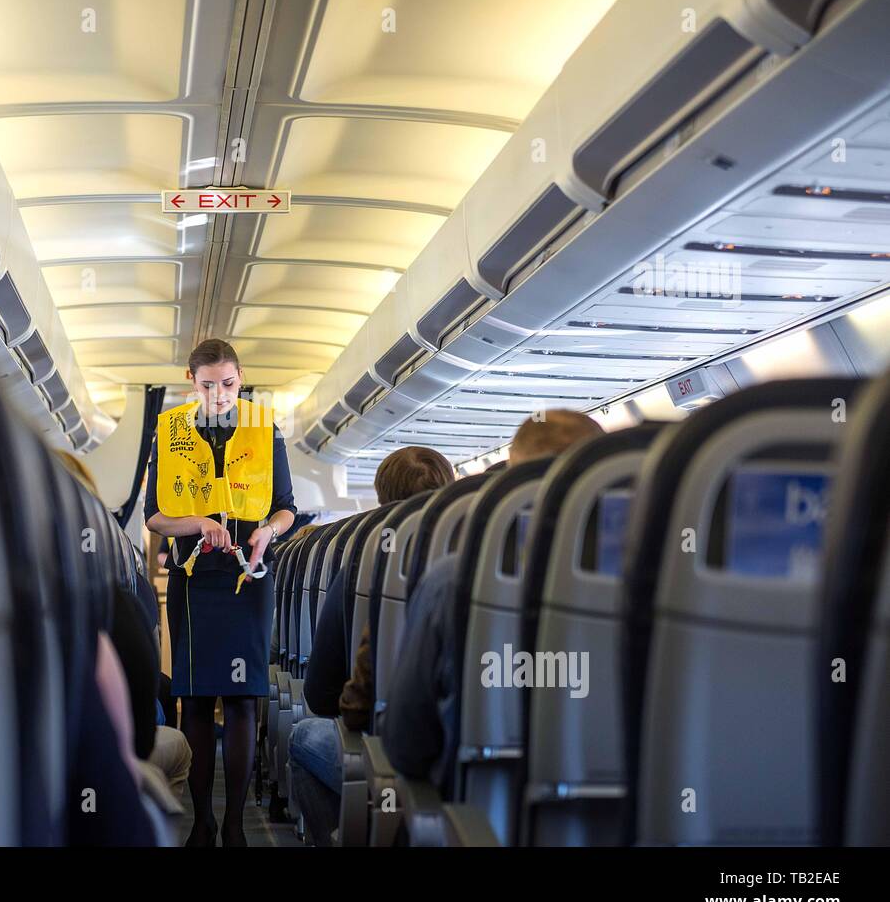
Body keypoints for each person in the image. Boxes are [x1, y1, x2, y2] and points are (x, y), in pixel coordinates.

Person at [382, 409, 603, 801]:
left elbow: (406, 747)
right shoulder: (667, 584)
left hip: (476, 819)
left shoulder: (452, 581)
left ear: (513, 485)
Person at [143, 339, 297, 846]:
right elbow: (154, 517)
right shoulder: (170, 434)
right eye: (208, 384)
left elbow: (285, 508)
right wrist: (198, 522)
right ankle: (203, 821)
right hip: (195, 577)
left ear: (240, 378)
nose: (219, 394)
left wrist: (267, 533)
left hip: (248, 574)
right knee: (194, 697)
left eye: (228, 384)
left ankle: (234, 823)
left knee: (242, 702)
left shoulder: (264, 429)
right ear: (191, 380)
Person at [289, 446, 456, 846]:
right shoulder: (484, 559)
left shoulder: (363, 562)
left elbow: (320, 695)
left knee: (304, 737)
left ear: (381, 498)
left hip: (402, 759)